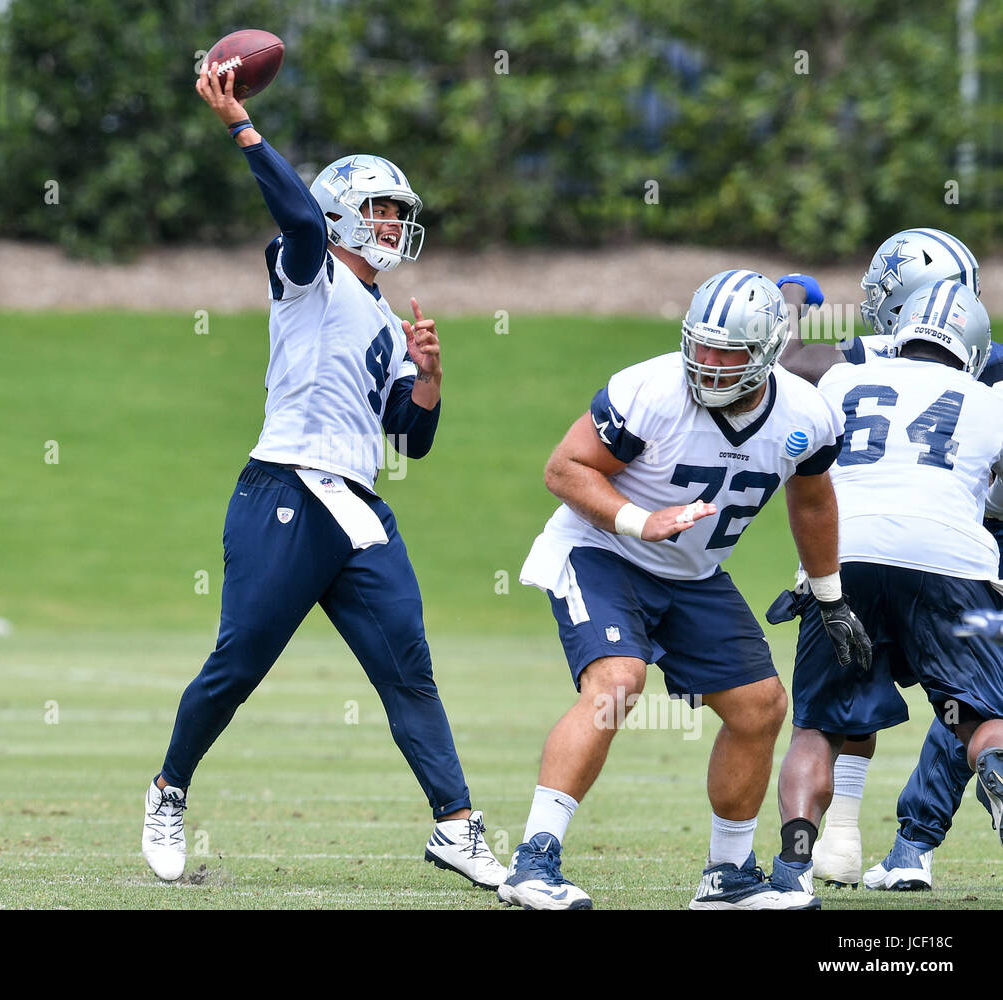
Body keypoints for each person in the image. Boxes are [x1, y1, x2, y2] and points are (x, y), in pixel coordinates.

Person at [140, 62, 505, 890]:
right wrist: (242, 123)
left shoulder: (381, 313)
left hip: (359, 505)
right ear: (346, 209)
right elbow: (299, 216)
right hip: (285, 487)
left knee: (408, 667)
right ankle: (169, 788)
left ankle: (456, 823)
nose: (391, 223)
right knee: (239, 663)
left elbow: (409, 440)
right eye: (379, 207)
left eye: (396, 211)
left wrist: (431, 382)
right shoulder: (310, 271)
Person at [501, 270, 867, 910]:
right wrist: (642, 520)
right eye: (700, 345)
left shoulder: (806, 413)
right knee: (618, 683)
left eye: (728, 352)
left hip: (692, 573)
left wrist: (830, 594)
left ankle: (727, 877)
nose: (708, 363)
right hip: (604, 549)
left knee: (760, 706)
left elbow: (811, 501)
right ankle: (533, 862)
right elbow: (564, 468)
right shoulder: (649, 388)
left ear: (766, 353)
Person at [775, 227, 1003, 889]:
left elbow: (784, 374)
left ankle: (793, 868)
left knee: (818, 724)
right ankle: (991, 762)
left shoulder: (847, 369)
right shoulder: (987, 391)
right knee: (980, 714)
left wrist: (792, 299)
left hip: (843, 555)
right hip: (952, 557)